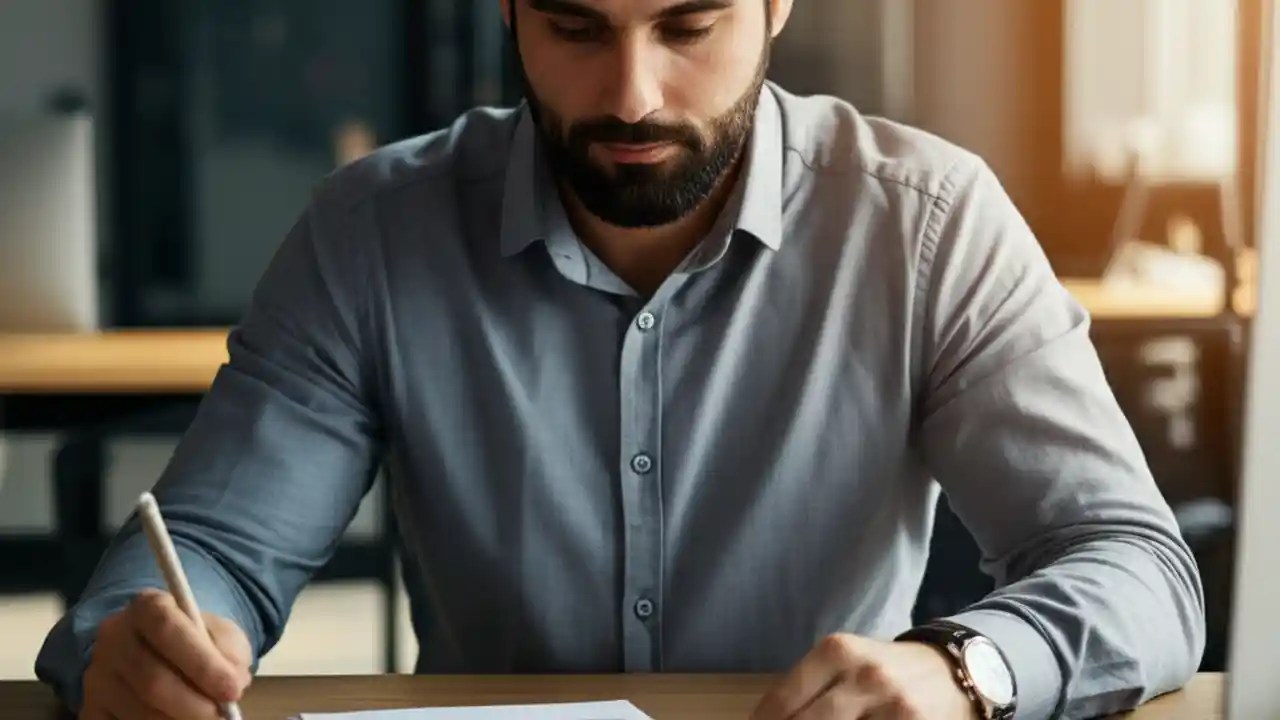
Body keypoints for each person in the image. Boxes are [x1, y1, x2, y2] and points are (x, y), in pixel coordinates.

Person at [38, 1, 1205, 718]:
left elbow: (1135, 571)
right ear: (507, 10)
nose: (632, 95)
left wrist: (966, 670)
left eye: (688, 27)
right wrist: (143, 638)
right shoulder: (371, 233)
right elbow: (215, 553)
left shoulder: (926, 221)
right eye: (576, 27)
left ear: (774, 4)